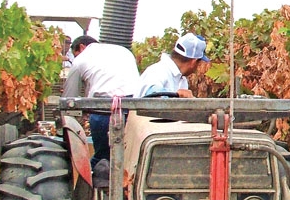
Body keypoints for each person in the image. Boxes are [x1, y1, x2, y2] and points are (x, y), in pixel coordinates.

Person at [62, 35, 140, 167]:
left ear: (81, 47)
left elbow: (69, 100)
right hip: (135, 111)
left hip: (104, 112)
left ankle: (95, 182)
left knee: (102, 159)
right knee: (129, 160)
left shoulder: (81, 58)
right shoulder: (123, 51)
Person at [138, 32, 209, 98]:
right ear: (193, 62)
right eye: (198, 63)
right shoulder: (158, 71)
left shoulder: (182, 80)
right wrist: (176, 95)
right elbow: (152, 94)